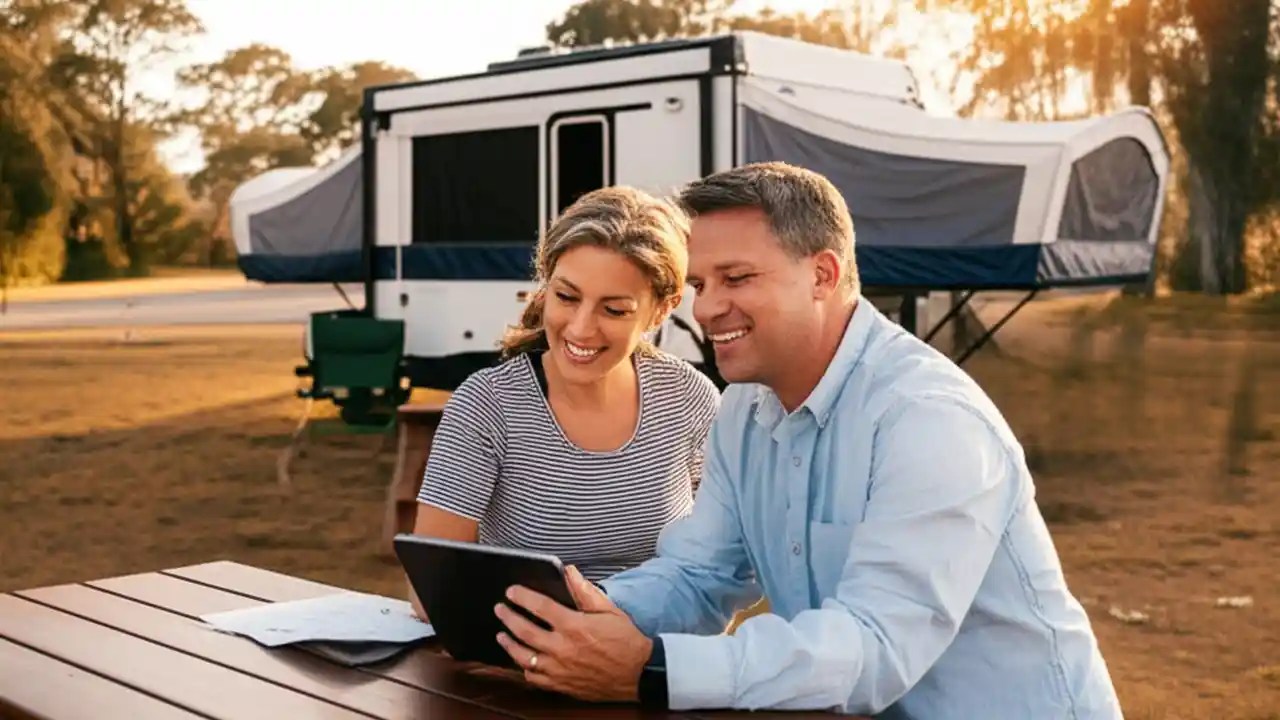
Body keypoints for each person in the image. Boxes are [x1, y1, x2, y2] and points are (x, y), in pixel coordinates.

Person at [491, 163, 1124, 718]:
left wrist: (653, 669)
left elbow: (876, 646)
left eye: (736, 278)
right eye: (702, 286)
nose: (708, 310)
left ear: (823, 274)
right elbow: (698, 576)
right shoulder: (741, 409)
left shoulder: (928, 418)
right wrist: (571, 614)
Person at [408, 186, 721, 620]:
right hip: (525, 660)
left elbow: (717, 567)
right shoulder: (487, 406)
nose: (580, 328)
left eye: (614, 310)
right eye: (567, 297)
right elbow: (431, 592)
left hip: (657, 659)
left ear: (661, 310)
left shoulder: (690, 398)